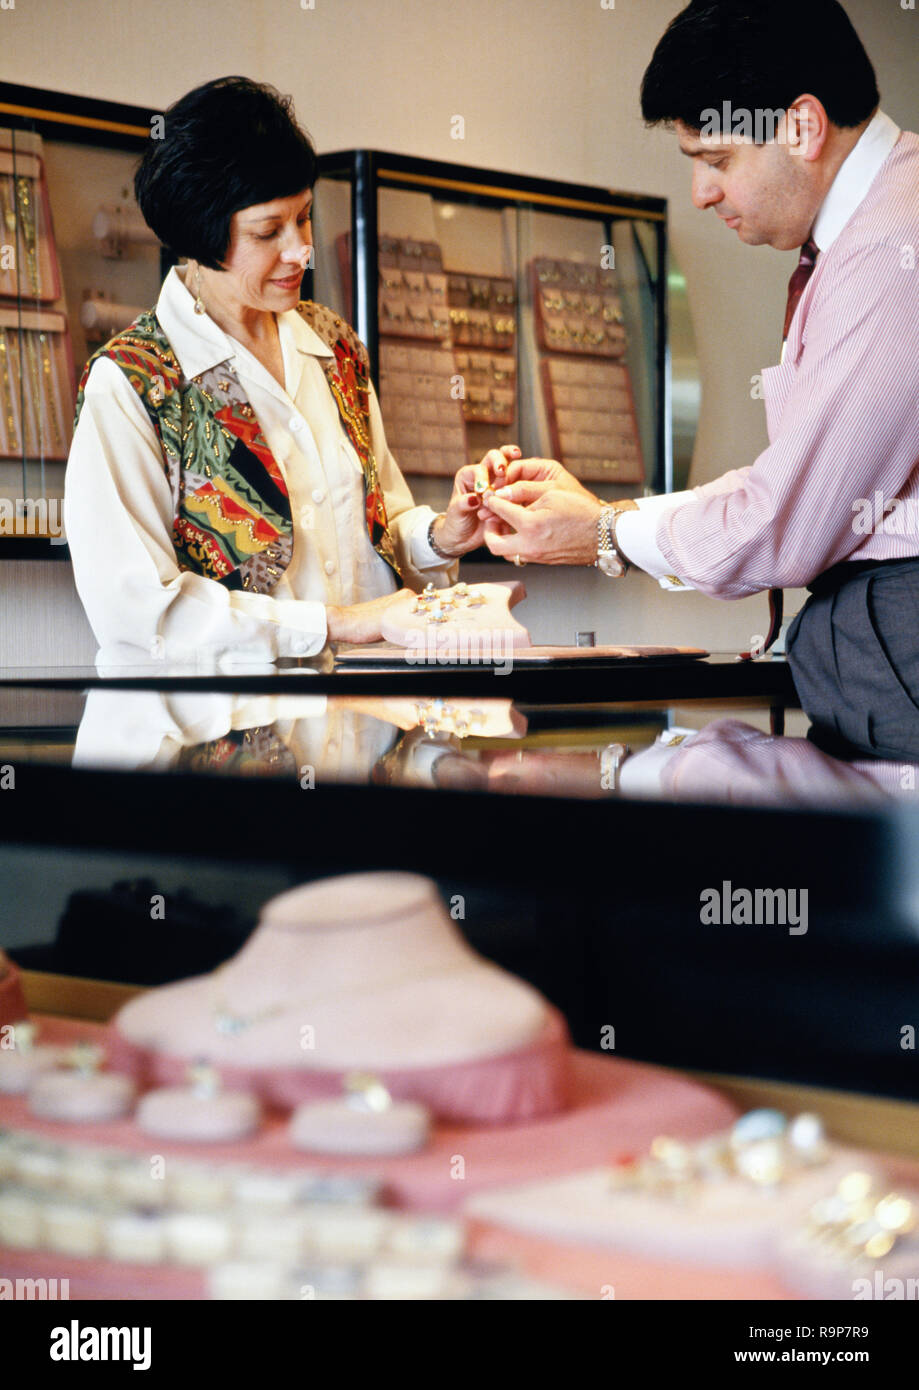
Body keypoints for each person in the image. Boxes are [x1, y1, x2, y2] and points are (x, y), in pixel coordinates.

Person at [480, 0, 919, 759]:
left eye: (716, 161)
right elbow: (796, 484)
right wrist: (608, 521)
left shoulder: (890, 247)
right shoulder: (874, 230)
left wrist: (604, 534)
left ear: (802, 127)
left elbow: (789, 517)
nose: (701, 194)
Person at [65, 76, 512, 666]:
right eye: (268, 231)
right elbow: (138, 613)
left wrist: (439, 537)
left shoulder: (334, 346)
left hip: (366, 733)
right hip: (214, 741)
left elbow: (376, 529)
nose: (300, 249)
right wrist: (339, 625)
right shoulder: (132, 382)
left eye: (303, 219)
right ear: (199, 237)